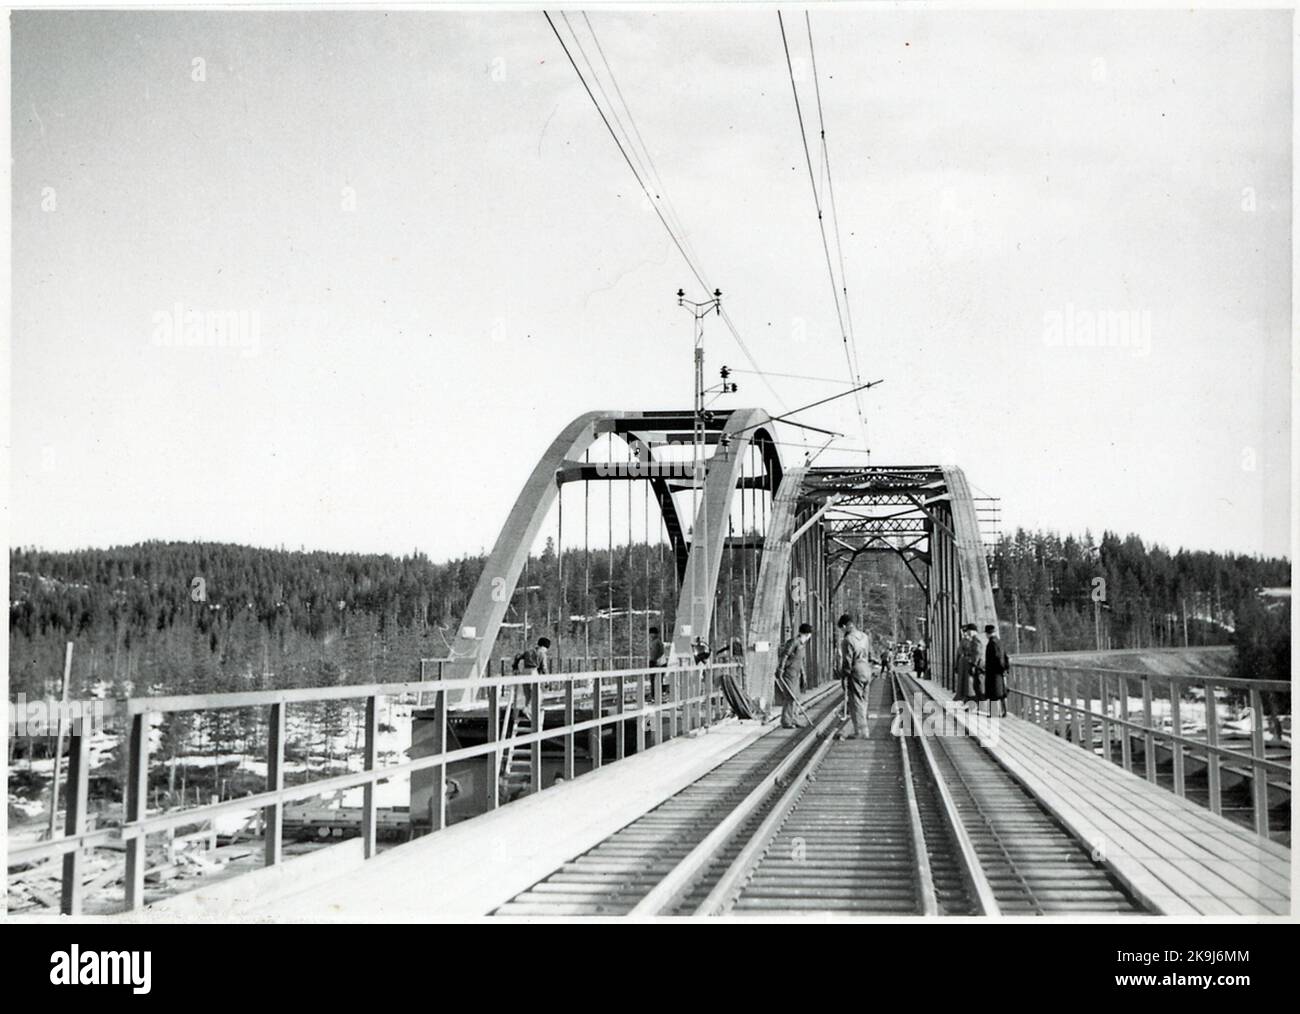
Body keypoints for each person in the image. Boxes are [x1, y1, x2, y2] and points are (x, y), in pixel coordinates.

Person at [836, 613, 873, 739]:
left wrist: (844, 676)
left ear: (845, 626)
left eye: (841, 628)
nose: (842, 631)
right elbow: (870, 654)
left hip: (856, 670)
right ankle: (863, 729)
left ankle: (861, 732)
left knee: (856, 702)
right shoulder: (865, 636)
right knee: (864, 701)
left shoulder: (847, 640)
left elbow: (847, 661)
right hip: (867, 670)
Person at [774, 623, 813, 729]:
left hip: (796, 674)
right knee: (790, 697)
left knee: (796, 697)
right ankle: (786, 721)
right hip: (788, 673)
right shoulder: (794, 642)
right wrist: (780, 669)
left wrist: (803, 675)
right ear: (808, 634)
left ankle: (794, 718)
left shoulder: (801, 644)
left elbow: (800, 661)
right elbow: (785, 655)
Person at [512, 636, 551, 709]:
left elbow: (517, 656)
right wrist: (547, 680)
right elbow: (544, 668)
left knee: (528, 695)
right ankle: (530, 710)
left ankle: (528, 711)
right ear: (544, 647)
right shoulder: (542, 653)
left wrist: (515, 667)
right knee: (537, 695)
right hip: (533, 672)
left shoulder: (528, 651)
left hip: (524, 672)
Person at [983, 623, 1010, 717]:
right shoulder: (999, 642)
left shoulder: (991, 643)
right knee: (1001, 693)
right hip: (1000, 671)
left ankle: (994, 713)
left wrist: (999, 668)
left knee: (993, 693)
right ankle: (1004, 712)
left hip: (993, 672)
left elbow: (997, 658)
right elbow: (1005, 656)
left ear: (987, 633)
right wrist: (1006, 669)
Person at [954, 624, 983, 707]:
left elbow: (977, 653)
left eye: (967, 631)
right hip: (965, 664)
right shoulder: (967, 640)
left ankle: (971, 703)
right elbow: (959, 653)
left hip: (970, 664)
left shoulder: (974, 640)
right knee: (967, 683)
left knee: (970, 684)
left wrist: (973, 663)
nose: (966, 633)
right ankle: (968, 701)